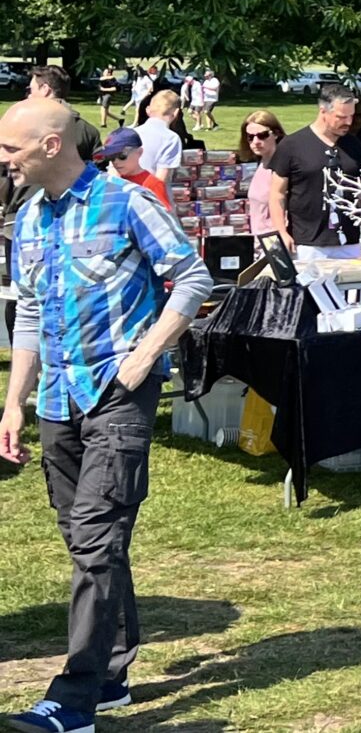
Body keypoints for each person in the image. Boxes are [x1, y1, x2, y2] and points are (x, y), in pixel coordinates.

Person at [0, 99, 212, 733]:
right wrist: (14, 403)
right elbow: (32, 316)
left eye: (11, 149)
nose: (3, 160)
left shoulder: (127, 202)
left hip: (119, 394)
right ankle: (114, 672)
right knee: (86, 540)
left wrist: (146, 354)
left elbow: (193, 278)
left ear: (49, 146)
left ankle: (75, 700)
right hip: (59, 401)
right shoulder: (30, 217)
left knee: (96, 540)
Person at [269, 83, 361, 260]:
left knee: (351, 286)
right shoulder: (292, 145)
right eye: (341, 117)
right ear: (323, 111)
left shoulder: (355, 146)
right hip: (307, 242)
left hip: (349, 242)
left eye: (351, 116)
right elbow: (277, 194)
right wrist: (281, 232)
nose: (348, 122)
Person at [27, 67, 100, 163]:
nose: (29, 96)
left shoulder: (24, 126)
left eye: (31, 90)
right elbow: (98, 170)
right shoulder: (88, 131)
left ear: (45, 89)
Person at [236, 110, 287, 240]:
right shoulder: (261, 164)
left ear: (276, 134)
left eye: (262, 135)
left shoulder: (283, 167)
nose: (256, 141)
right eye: (250, 137)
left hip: (276, 241)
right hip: (259, 241)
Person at [92, 128, 172, 211]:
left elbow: (164, 217)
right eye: (111, 157)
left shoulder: (152, 184)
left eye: (122, 156)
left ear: (139, 152)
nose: (116, 161)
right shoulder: (111, 181)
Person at [134, 90, 184, 178]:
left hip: (127, 189)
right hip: (151, 190)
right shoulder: (171, 138)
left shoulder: (132, 133)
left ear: (148, 110)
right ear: (176, 113)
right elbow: (161, 178)